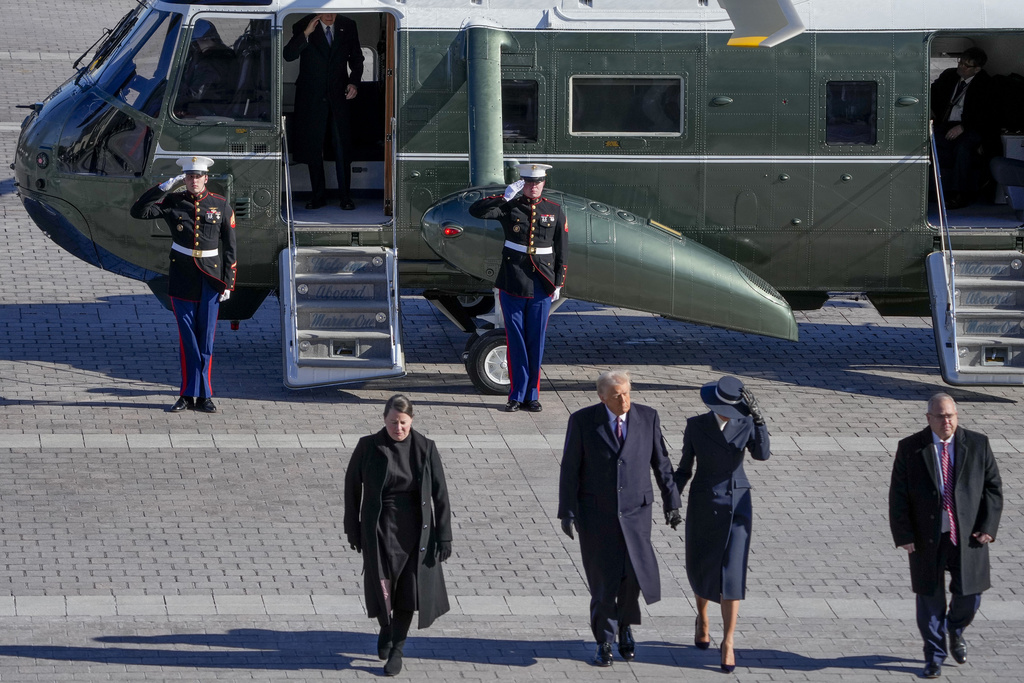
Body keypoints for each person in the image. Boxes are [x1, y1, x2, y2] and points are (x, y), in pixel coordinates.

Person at [558, 370, 681, 667]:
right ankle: (604, 641)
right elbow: (570, 468)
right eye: (617, 396)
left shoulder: (647, 418)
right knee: (603, 582)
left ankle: (625, 626)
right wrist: (567, 510)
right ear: (602, 397)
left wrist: (672, 502)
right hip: (597, 516)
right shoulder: (583, 421)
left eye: (627, 393)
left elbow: (661, 463)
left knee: (632, 578)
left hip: (637, 514)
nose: (624, 400)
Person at [889, 393, 1003, 679]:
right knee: (929, 599)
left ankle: (955, 626)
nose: (946, 421)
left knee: (970, 595)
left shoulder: (978, 444)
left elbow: (992, 488)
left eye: (951, 415)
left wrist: (988, 527)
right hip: (927, 536)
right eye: (940, 416)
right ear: (929, 419)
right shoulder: (911, 448)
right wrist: (903, 534)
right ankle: (934, 657)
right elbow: (898, 495)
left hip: (968, 537)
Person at [344, 394, 452, 677]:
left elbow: (440, 494)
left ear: (411, 420)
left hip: (415, 532)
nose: (399, 428)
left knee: (407, 591)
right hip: (379, 528)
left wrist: (445, 536)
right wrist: (352, 527)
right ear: (384, 419)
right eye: (393, 422)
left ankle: (397, 649)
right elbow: (352, 488)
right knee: (380, 585)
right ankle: (385, 627)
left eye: (403, 423)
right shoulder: (368, 446)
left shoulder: (426, 448)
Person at [674, 376, 770, 673]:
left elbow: (762, 454)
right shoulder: (696, 425)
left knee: (732, 573)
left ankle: (728, 641)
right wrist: (672, 501)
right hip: (704, 503)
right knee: (702, 565)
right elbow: (684, 467)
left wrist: (760, 420)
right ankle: (703, 617)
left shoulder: (746, 422)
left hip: (737, 506)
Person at [130, 156, 236, 414]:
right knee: (188, 339)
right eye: (189, 176)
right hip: (182, 276)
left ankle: (204, 395)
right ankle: (188, 395)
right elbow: (138, 211)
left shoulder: (221, 205)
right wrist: (163, 187)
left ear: (206, 178)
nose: (193, 181)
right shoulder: (172, 202)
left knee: (206, 340)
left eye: (198, 176)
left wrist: (228, 284)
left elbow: (231, 248)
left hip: (210, 278)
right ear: (184, 179)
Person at [468, 163, 568, 413]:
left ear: (544, 183)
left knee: (536, 341)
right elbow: (476, 211)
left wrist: (558, 282)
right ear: (522, 183)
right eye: (529, 182)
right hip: (512, 280)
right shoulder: (509, 206)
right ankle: (516, 394)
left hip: (542, 282)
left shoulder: (554, 210)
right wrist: (504, 196)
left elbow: (562, 250)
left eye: (538, 182)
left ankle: (532, 395)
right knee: (515, 341)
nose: (534, 186)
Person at [283, 13, 363, 211]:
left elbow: (357, 58)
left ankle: (346, 197)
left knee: (341, 146)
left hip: (339, 96)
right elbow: (289, 54)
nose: (329, 16)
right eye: (325, 12)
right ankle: (318, 196)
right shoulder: (303, 24)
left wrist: (354, 82)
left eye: (334, 12)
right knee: (313, 146)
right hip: (311, 97)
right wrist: (306, 33)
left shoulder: (348, 25)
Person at [931, 47, 997, 210]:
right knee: (928, 143)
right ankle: (931, 189)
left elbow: (987, 114)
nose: (961, 67)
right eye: (960, 63)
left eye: (966, 66)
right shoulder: (949, 75)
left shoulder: (985, 84)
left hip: (971, 126)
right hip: (945, 123)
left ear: (977, 69)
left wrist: (964, 127)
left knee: (963, 149)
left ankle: (959, 194)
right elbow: (932, 92)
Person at [174, 20, 239, 119]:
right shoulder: (224, 53)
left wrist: (173, 99)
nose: (194, 46)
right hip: (216, 102)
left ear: (202, 40)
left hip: (211, 108)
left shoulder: (211, 63)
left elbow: (195, 94)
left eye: (195, 42)